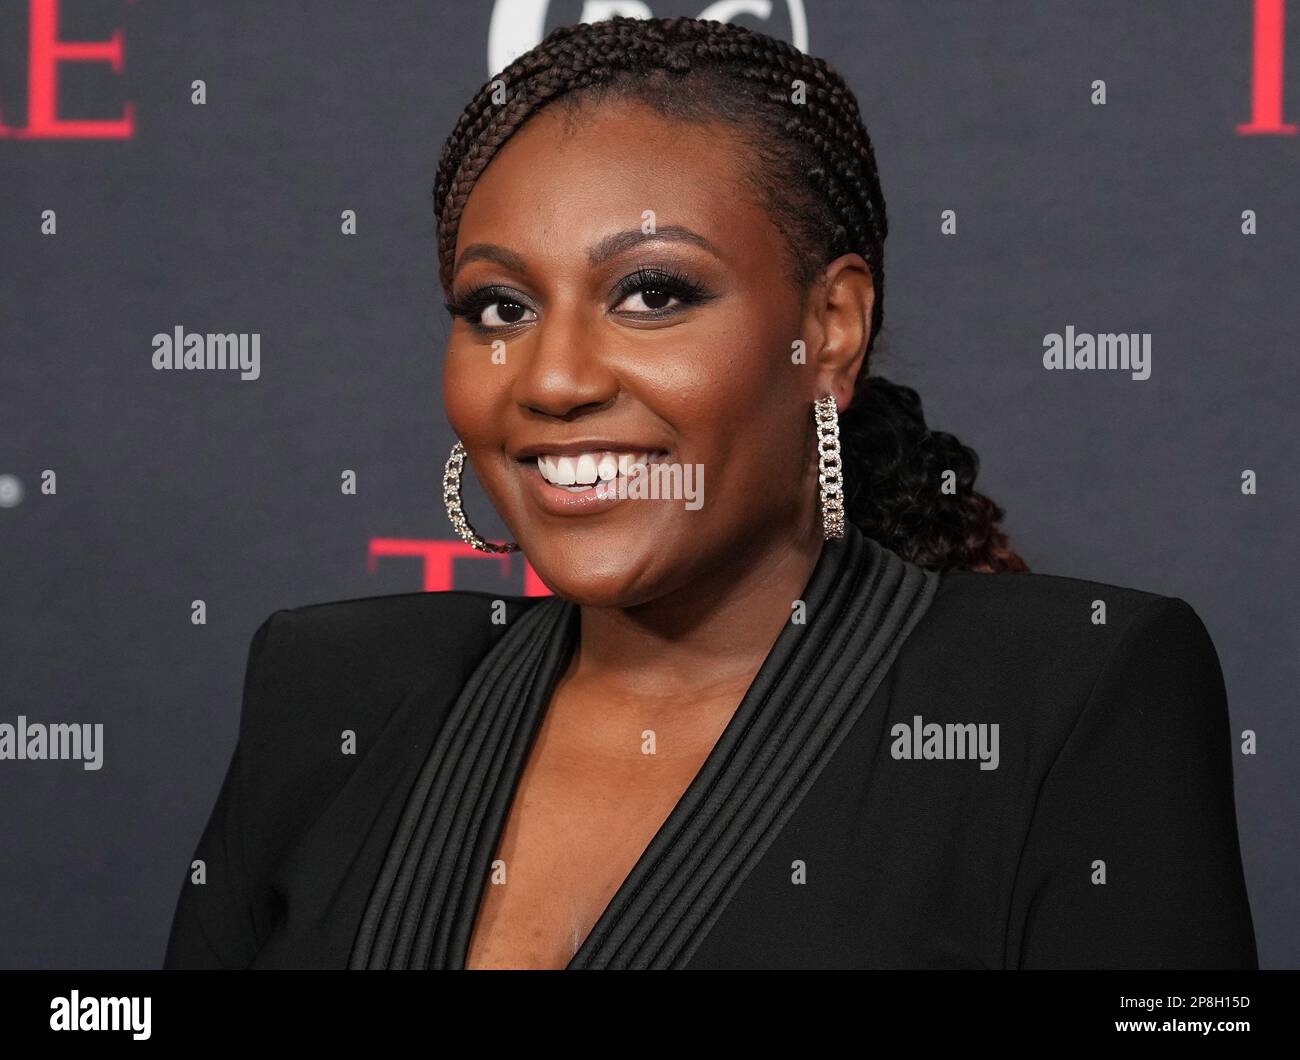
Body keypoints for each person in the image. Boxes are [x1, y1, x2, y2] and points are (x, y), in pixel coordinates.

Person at [163, 15, 1256, 970]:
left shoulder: (1068, 696)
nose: (552, 378)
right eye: (497, 307)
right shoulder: (332, 697)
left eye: (652, 293)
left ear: (829, 328)